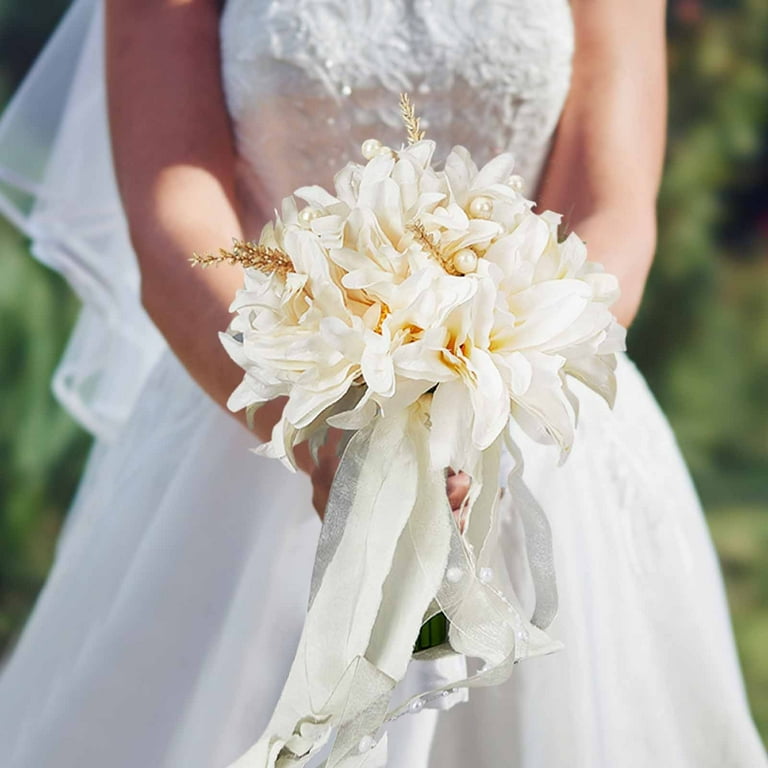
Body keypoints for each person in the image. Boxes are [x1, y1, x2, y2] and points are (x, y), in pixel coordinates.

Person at [0, 0, 765, 766]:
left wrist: (490, 398)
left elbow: (612, 213)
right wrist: (317, 424)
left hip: (530, 402)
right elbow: (173, 207)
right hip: (258, 400)